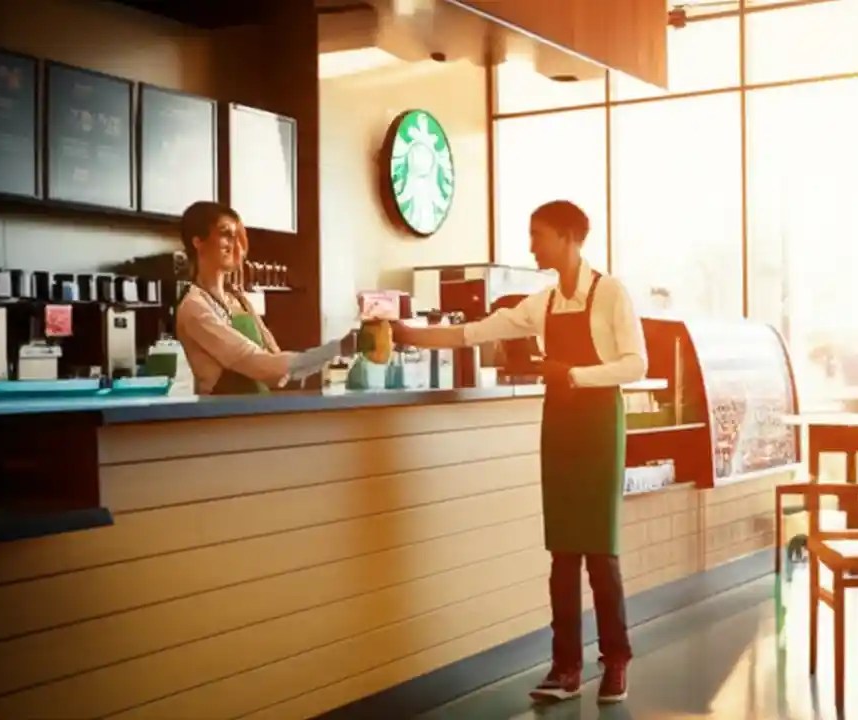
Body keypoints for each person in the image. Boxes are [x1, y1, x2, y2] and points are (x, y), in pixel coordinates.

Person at [392, 200, 647, 705]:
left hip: (598, 425)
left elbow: (636, 364)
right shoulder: (543, 302)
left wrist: (572, 375)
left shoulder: (612, 292)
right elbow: (477, 331)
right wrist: (409, 333)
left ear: (570, 237)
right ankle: (566, 668)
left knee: (599, 550)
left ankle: (615, 662)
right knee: (562, 553)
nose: (531, 244)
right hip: (560, 426)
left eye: (539, 234)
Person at [175, 201, 356, 394]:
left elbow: (275, 361)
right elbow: (254, 361)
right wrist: (336, 348)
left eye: (237, 236)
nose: (235, 244)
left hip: (259, 411)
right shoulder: (194, 307)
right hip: (225, 417)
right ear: (198, 242)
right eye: (225, 234)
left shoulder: (239, 299)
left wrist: (336, 352)